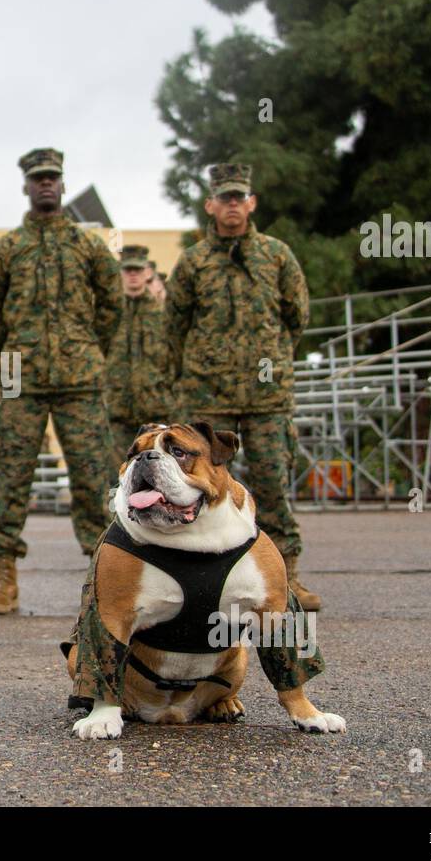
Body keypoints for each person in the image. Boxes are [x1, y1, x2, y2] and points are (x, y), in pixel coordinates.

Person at [0, 147, 121, 614]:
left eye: (52, 177)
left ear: (62, 182)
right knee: (13, 476)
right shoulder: (6, 250)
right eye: (37, 178)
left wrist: (86, 347)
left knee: (92, 477)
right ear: (26, 185)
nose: (45, 185)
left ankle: (106, 578)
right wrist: (14, 348)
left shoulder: (89, 246)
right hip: (22, 378)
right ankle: (3, 576)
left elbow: (112, 306)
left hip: (80, 378)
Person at [165, 162, 320, 610]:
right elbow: (174, 325)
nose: (232, 206)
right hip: (208, 395)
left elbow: (297, 316)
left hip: (266, 394)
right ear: (211, 205)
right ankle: (201, 582)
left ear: (251, 203)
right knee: (201, 487)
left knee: (273, 482)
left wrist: (270, 357)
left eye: (240, 198)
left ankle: (285, 579)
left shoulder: (276, 255)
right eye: (224, 198)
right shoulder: (193, 261)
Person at [103, 245, 178, 458]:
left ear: (147, 273)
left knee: (161, 474)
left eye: (138, 270)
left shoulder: (164, 316)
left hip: (158, 411)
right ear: (120, 274)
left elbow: (176, 361)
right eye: (128, 271)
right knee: (117, 478)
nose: (133, 275)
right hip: (117, 412)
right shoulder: (108, 316)